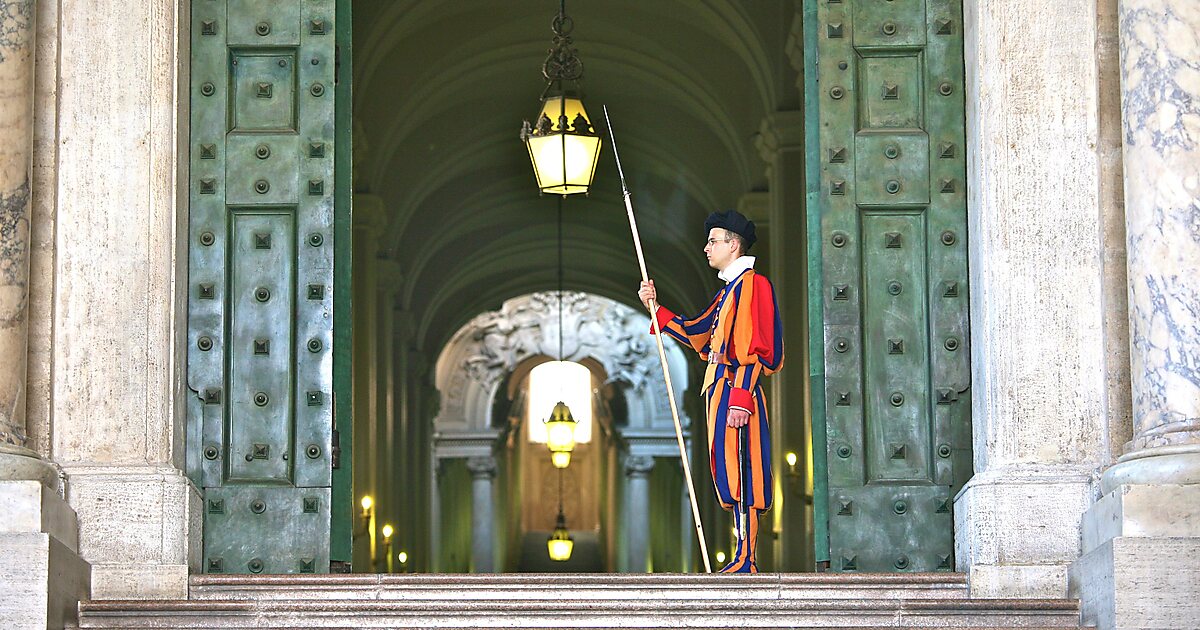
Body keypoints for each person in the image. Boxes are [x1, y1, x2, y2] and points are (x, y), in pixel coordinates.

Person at [637, 209, 783, 573]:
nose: (706, 248)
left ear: (733, 245)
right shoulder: (728, 292)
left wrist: (741, 399)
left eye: (713, 241)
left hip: (736, 391)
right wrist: (654, 306)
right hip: (720, 391)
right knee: (728, 472)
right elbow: (697, 332)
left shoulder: (752, 285)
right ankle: (741, 555)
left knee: (745, 471)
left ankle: (747, 558)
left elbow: (755, 347)